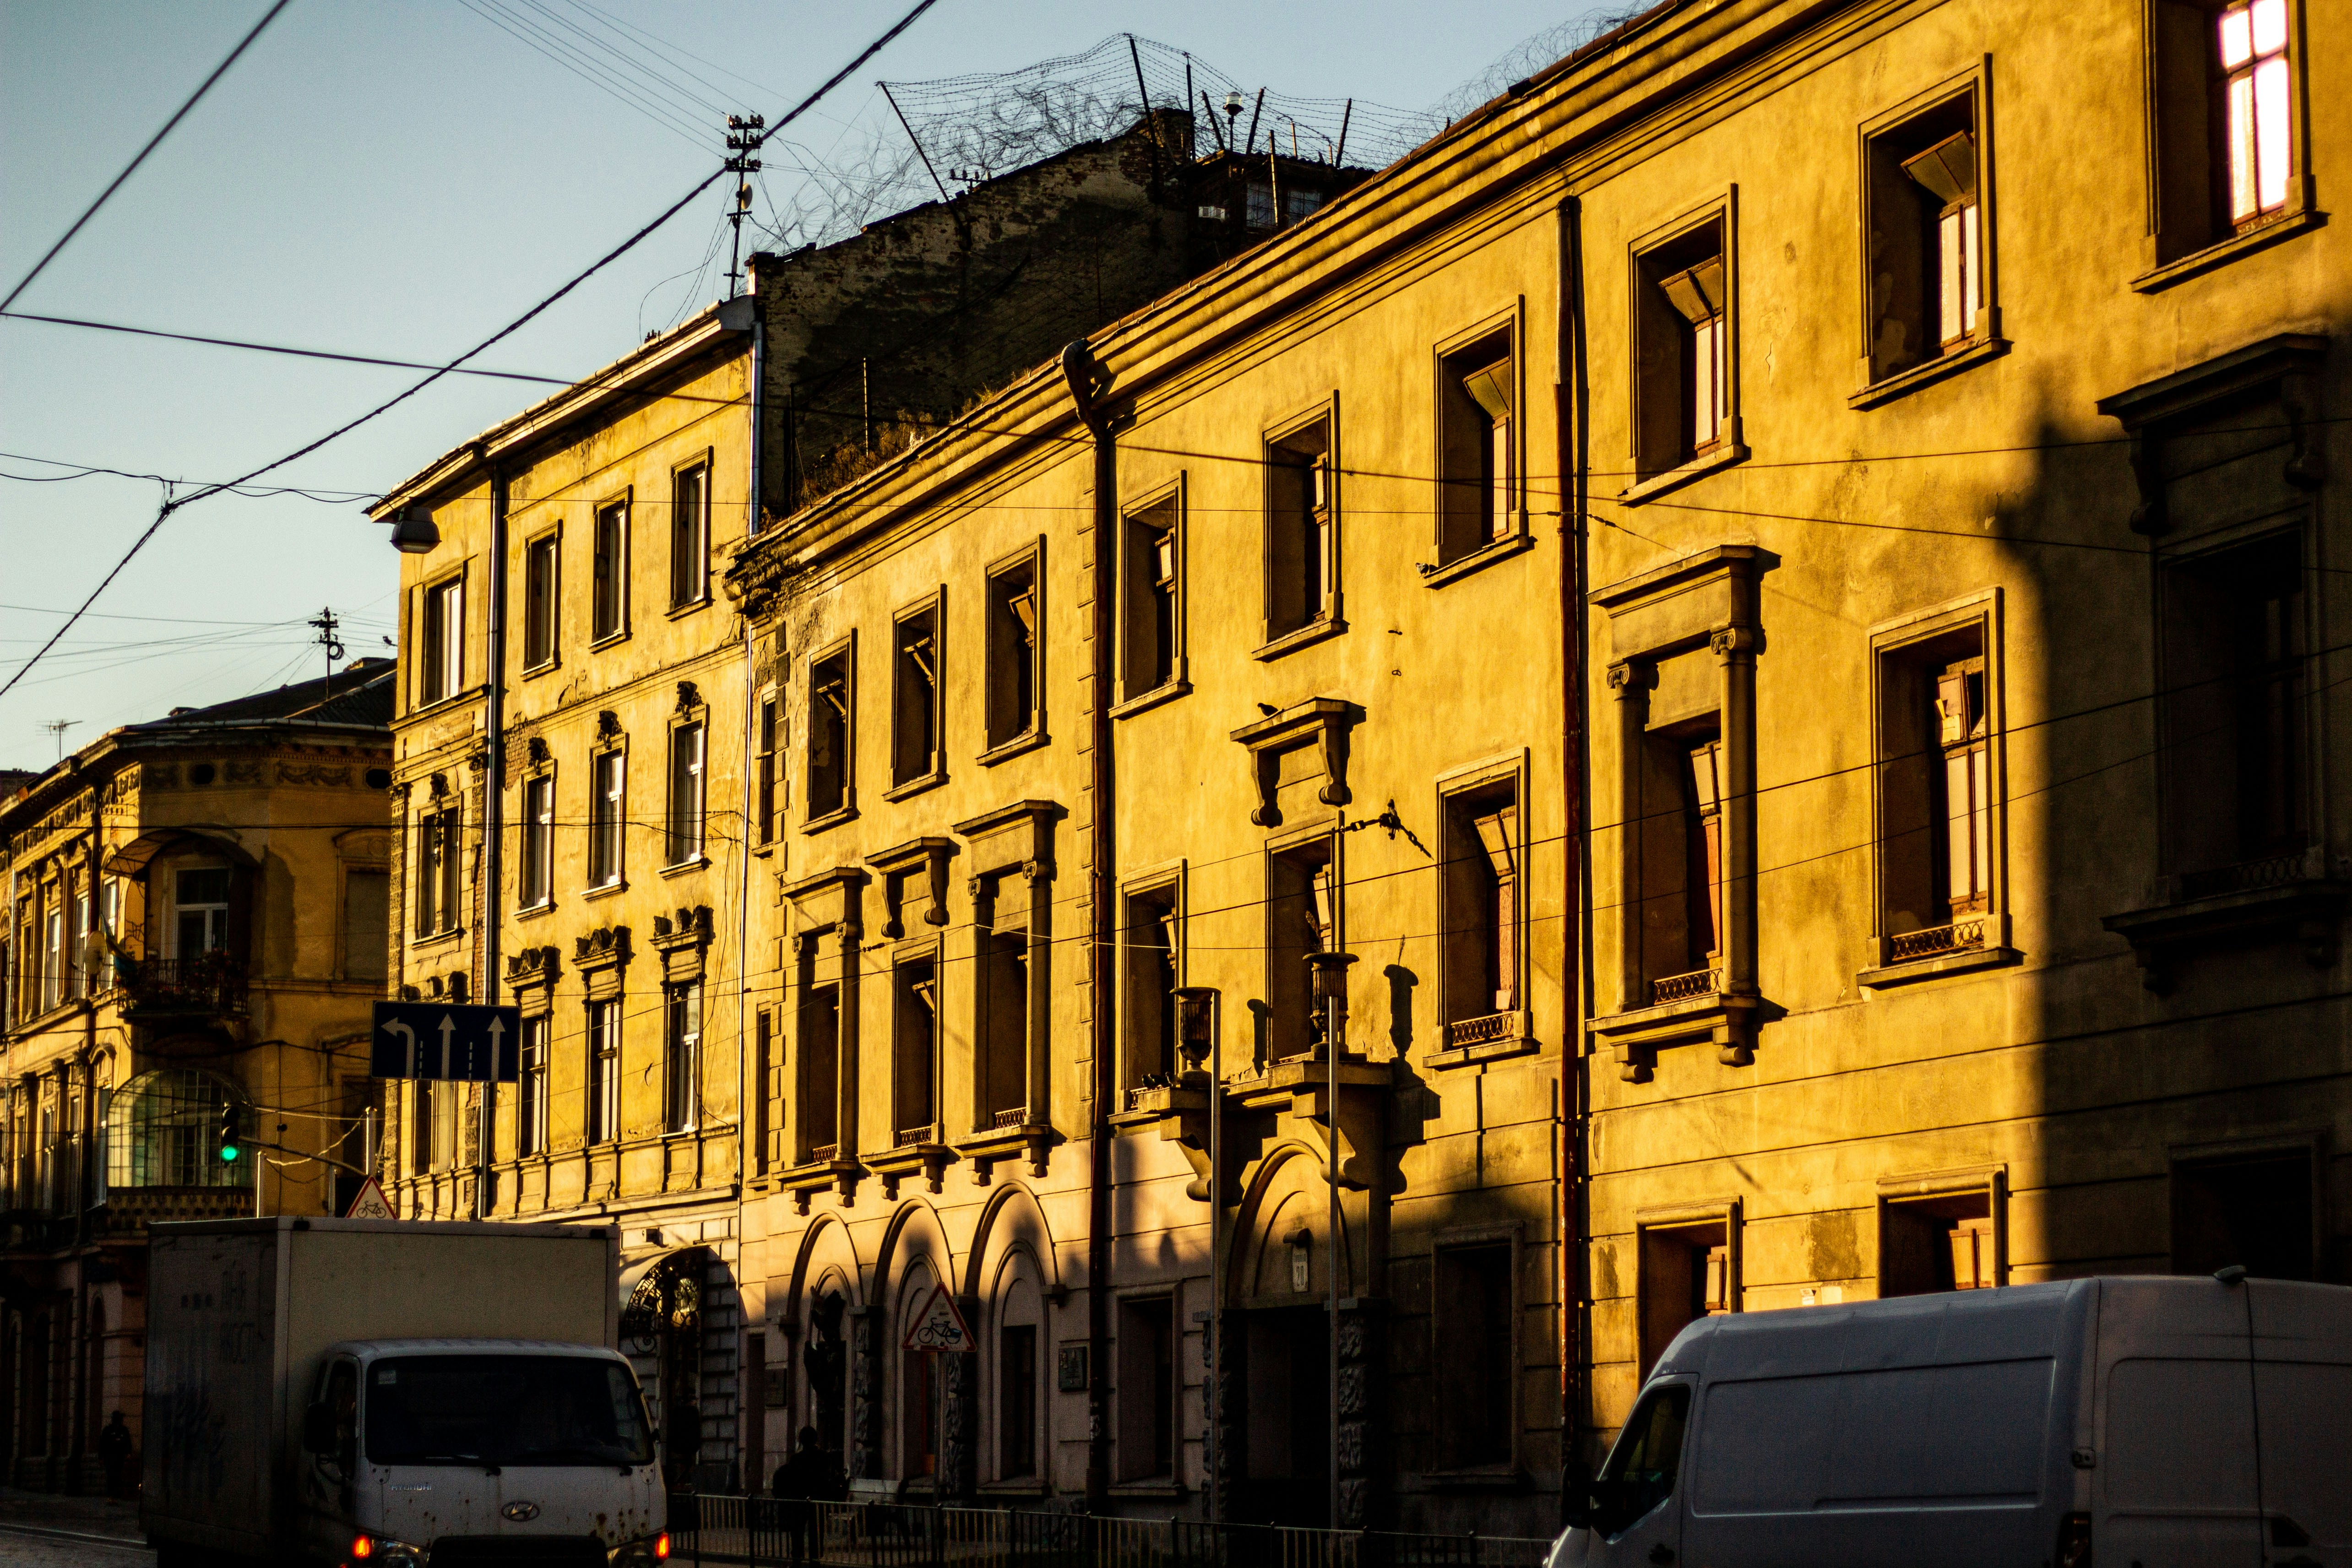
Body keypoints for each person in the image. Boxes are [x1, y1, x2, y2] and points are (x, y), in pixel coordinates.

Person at [770, 1427, 846, 1564]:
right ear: (816, 1439)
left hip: (799, 1502)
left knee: (797, 1533)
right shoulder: (824, 1457)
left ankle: (797, 1559)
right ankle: (815, 1559)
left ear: (801, 1441)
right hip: (818, 1501)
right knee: (817, 1533)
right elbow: (828, 1478)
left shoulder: (796, 1459)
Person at [97, 1411, 135, 1498]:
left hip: (119, 1457)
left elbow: (128, 1443)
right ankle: (111, 1495)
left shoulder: (124, 1430)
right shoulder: (108, 1430)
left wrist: (128, 1453)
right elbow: (102, 1445)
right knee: (111, 1476)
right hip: (110, 1458)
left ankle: (115, 1494)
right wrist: (101, 1458)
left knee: (117, 1476)